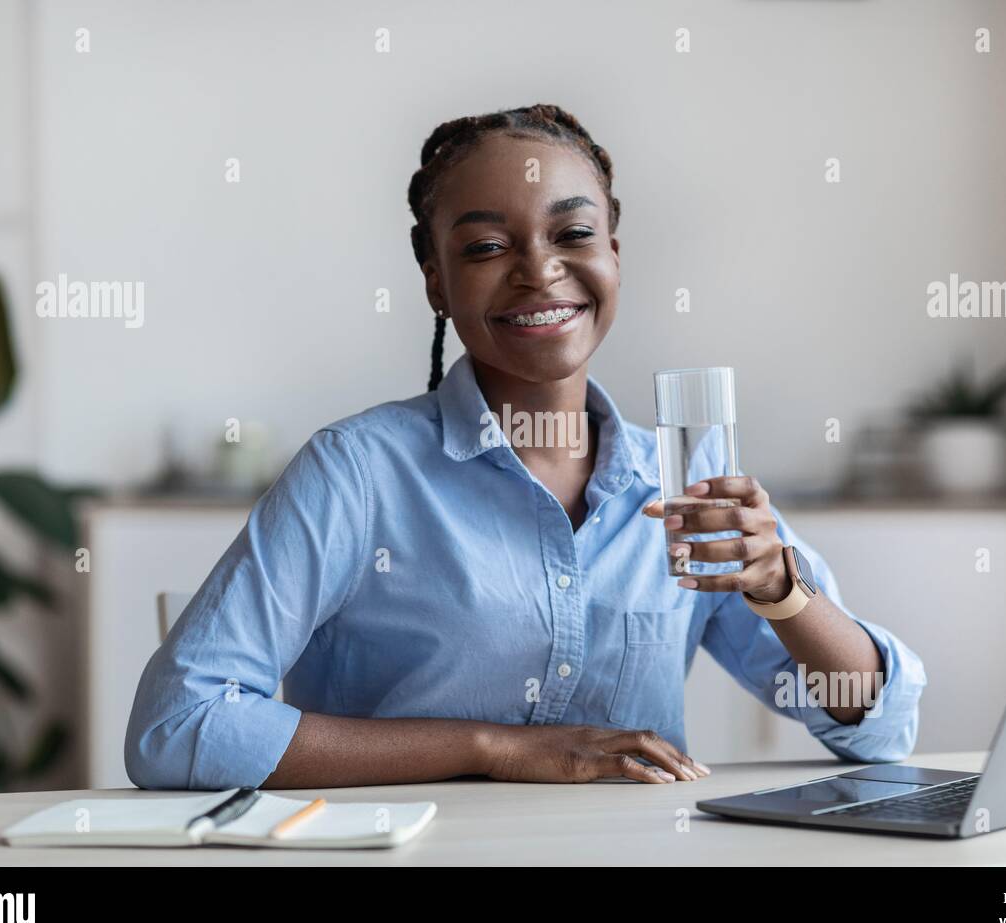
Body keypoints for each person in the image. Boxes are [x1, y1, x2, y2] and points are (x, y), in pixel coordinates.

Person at [125, 104, 926, 791]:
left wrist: (781, 588)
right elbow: (178, 727)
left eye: (573, 232)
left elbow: (880, 731)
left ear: (613, 253)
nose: (540, 271)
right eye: (484, 248)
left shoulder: (684, 482)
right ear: (436, 282)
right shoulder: (359, 473)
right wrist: (496, 747)